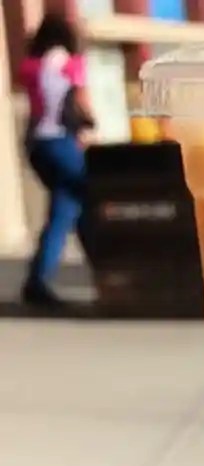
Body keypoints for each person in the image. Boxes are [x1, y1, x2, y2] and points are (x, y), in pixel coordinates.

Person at [17, 12, 94, 307]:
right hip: (63, 142)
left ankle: (41, 279)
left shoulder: (31, 67)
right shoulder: (73, 65)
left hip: (38, 144)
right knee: (69, 209)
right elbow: (82, 103)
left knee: (71, 205)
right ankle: (37, 282)